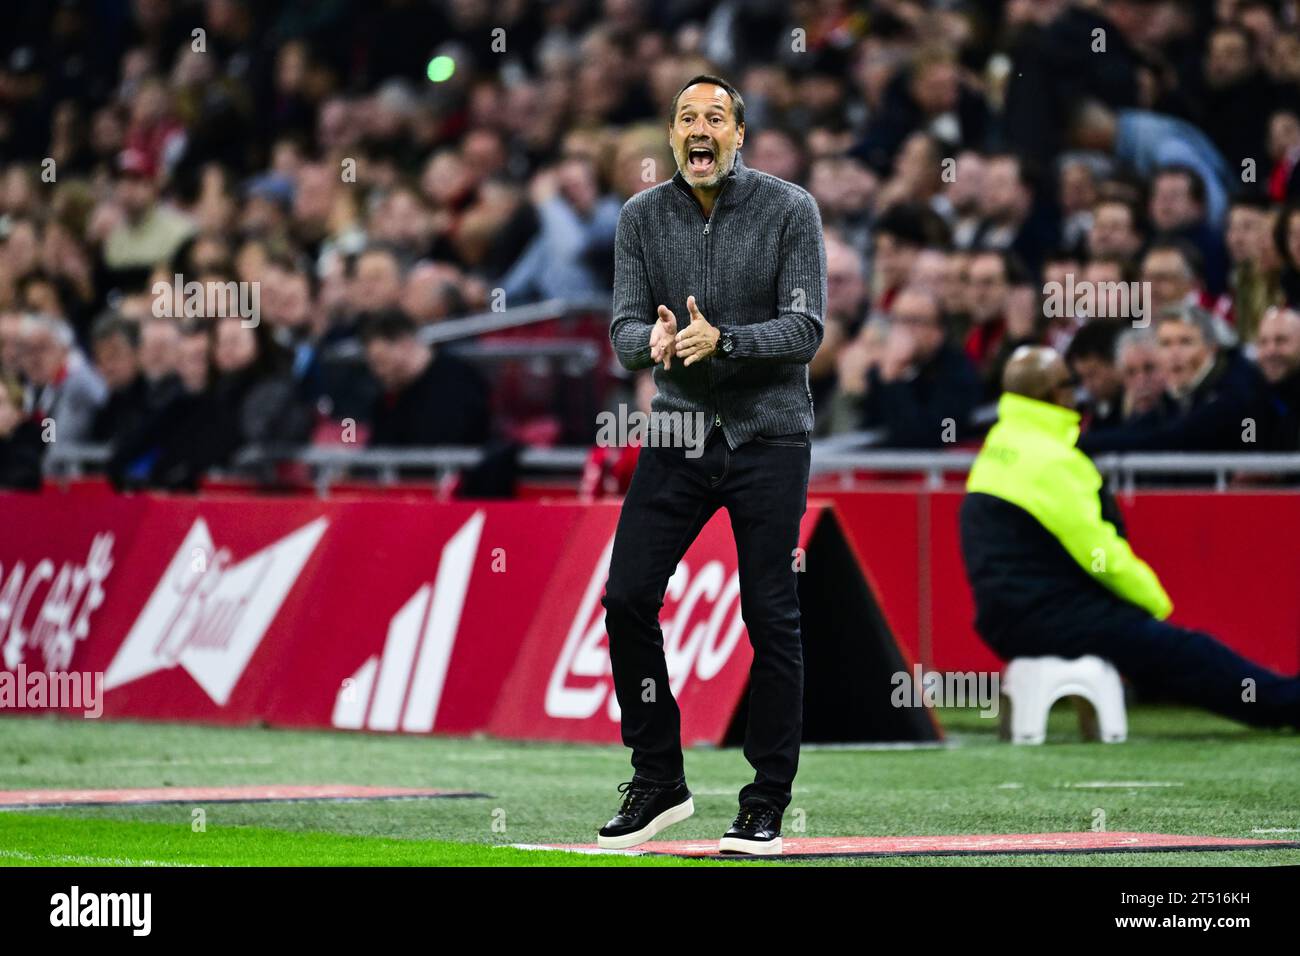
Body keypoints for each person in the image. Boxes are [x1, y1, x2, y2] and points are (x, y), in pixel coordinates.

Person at [600, 74, 826, 855]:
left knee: (770, 615)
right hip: (681, 434)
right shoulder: (640, 217)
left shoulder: (790, 208)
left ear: (738, 135)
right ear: (671, 137)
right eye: (687, 118)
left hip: (770, 436)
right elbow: (625, 327)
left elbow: (806, 328)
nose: (702, 130)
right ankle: (658, 779)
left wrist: (724, 339)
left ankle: (765, 801)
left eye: (716, 118)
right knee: (626, 596)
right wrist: (653, 343)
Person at [960, 346, 1300, 731]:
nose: (1078, 392)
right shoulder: (1053, 461)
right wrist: (1153, 604)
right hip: (1053, 618)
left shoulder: (999, 449)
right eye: (1070, 383)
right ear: (1054, 393)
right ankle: (1287, 703)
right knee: (1185, 650)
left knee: (1158, 652)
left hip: (1004, 619)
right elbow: (1098, 553)